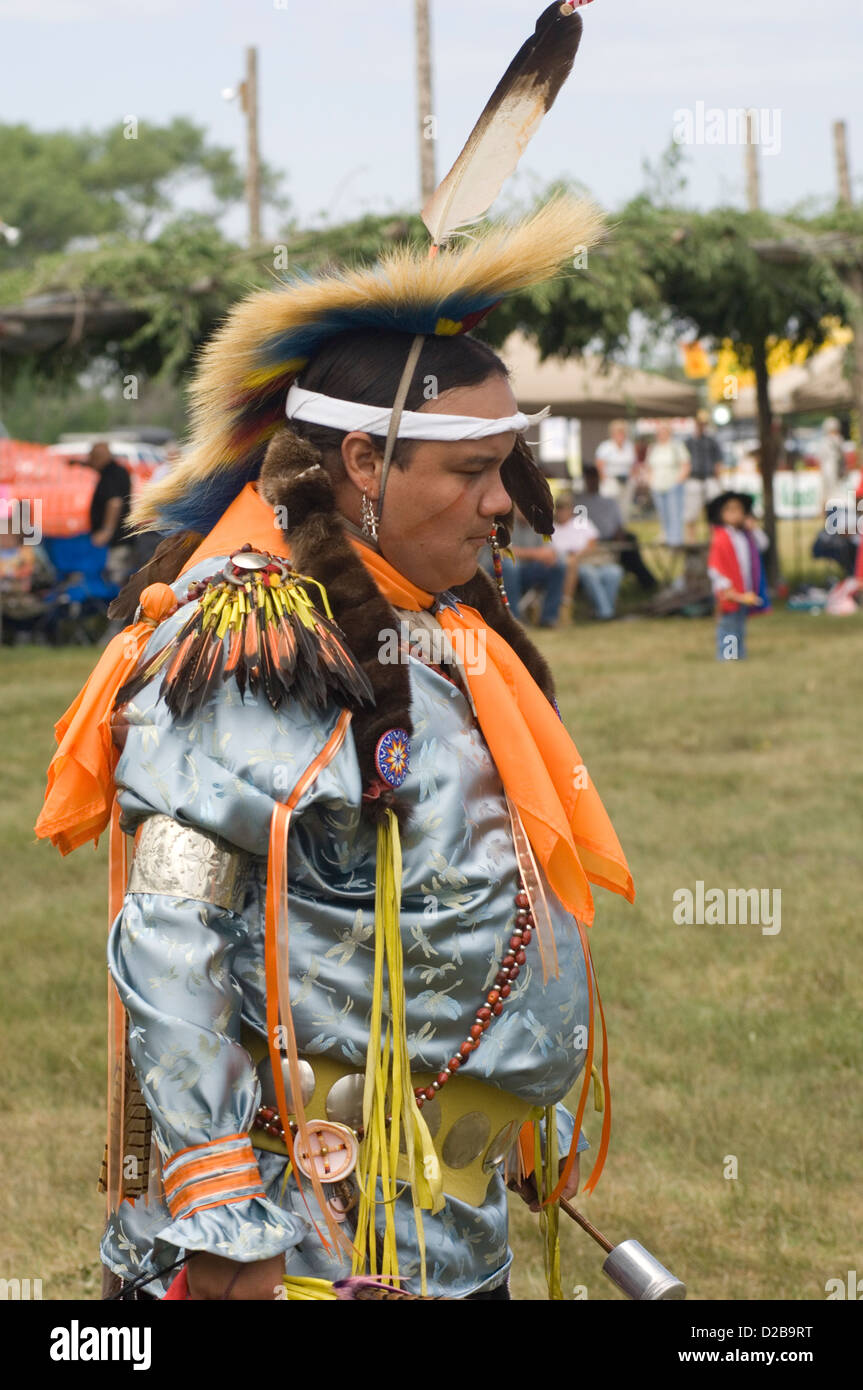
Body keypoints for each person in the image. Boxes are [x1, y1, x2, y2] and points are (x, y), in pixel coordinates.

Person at [35, 197, 634, 1302]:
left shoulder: (444, 625)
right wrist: (224, 1212)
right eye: (469, 470)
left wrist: (516, 1105)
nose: (503, 502)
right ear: (362, 461)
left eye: (507, 465)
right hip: (306, 1241)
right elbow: (173, 934)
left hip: (436, 1229)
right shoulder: (254, 644)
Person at [573, 464, 657, 593]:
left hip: (610, 539)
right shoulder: (579, 502)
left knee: (630, 542)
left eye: (594, 477)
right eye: (589, 478)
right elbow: (577, 528)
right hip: (589, 542)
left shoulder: (609, 501)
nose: (592, 481)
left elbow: (618, 525)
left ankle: (647, 581)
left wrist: (618, 534)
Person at [707, 491, 769, 661]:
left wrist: (753, 527)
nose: (734, 514)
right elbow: (715, 567)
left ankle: (739, 655)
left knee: (739, 625)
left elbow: (763, 545)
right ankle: (728, 656)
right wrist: (726, 588)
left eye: (738, 509)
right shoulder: (720, 537)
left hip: (743, 591)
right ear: (721, 514)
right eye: (729, 510)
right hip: (728, 592)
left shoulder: (745, 536)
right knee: (728, 625)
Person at [551, 489, 622, 621]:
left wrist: (578, 555)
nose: (562, 512)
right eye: (559, 508)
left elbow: (592, 543)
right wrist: (573, 557)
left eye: (565, 508)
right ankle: (605, 613)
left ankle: (604, 609)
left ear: (571, 509)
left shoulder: (582, 523)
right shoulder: (552, 528)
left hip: (591, 559)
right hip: (571, 564)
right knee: (589, 574)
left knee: (614, 572)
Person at [502, 507, 567, 627]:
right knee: (510, 566)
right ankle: (513, 619)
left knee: (558, 565)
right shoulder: (504, 523)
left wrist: (549, 556)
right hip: (500, 572)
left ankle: (549, 619)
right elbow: (503, 551)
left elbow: (548, 551)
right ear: (514, 508)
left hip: (529, 570)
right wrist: (536, 554)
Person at [86, 442, 133, 588]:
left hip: (117, 539)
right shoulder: (116, 471)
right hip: (119, 538)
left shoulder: (111, 474)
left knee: (114, 577)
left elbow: (115, 502)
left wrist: (106, 530)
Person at [644, 421, 690, 548]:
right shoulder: (654, 447)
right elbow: (649, 467)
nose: (661, 434)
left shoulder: (676, 446)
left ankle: (675, 542)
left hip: (673, 486)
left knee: (675, 515)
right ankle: (666, 537)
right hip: (657, 486)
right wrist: (650, 481)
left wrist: (678, 481)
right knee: (663, 514)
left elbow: (685, 465)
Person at [684, 409, 723, 542]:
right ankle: (692, 540)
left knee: (713, 510)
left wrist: (718, 480)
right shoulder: (689, 441)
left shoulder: (711, 441)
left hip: (709, 478)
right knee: (691, 513)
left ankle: (714, 539)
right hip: (694, 479)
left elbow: (718, 462)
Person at [595, 419, 635, 503]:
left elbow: (633, 464)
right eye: (618, 432)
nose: (620, 435)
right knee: (609, 507)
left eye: (622, 432)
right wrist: (604, 480)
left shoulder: (629, 446)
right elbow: (599, 464)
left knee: (624, 509)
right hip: (611, 482)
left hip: (626, 483)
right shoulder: (605, 446)